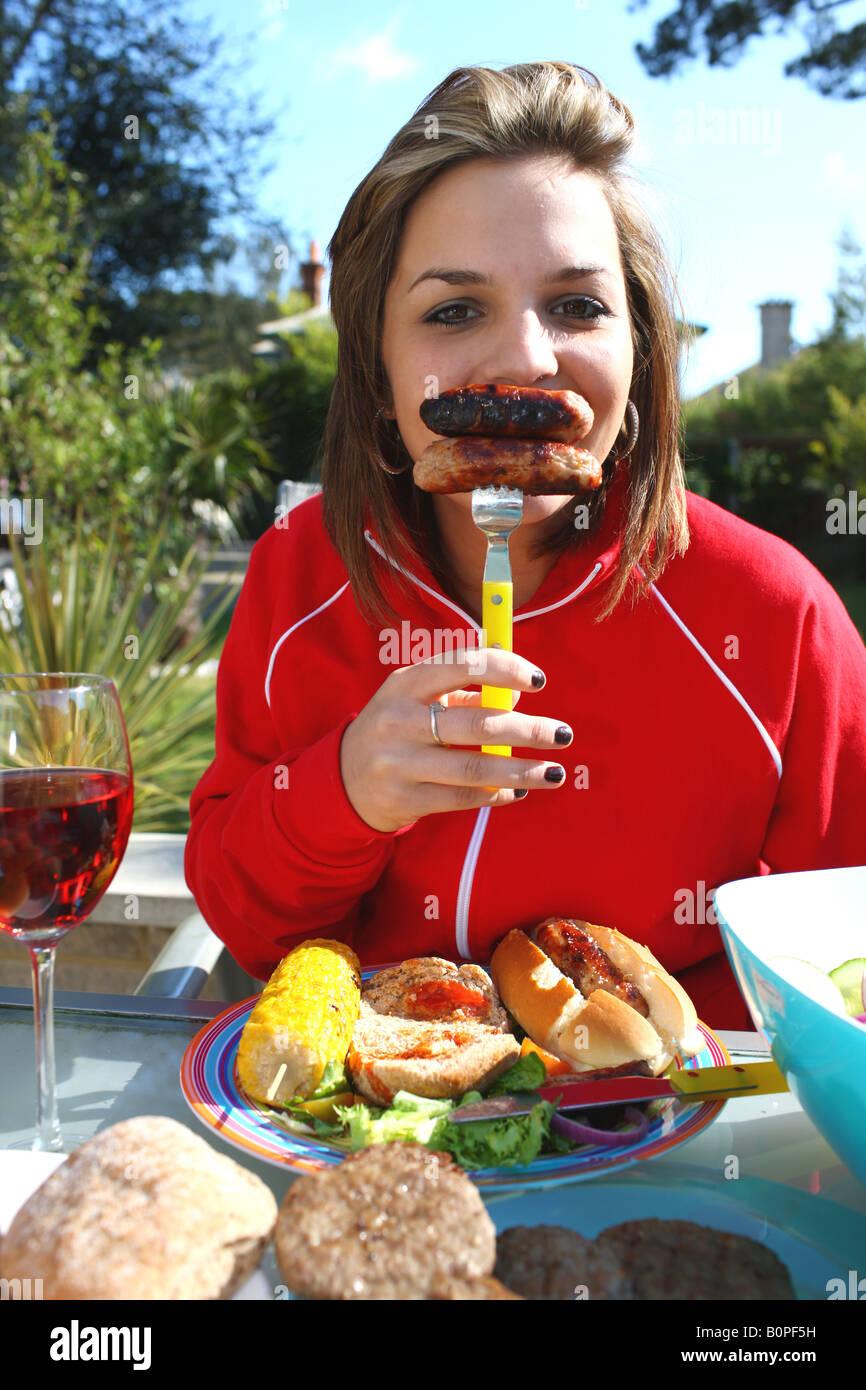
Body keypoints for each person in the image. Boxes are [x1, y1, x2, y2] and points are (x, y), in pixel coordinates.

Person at [184, 61, 866, 1030]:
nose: (526, 360)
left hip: (680, 1153)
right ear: (379, 368)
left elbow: (846, 964)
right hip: (369, 1141)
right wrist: (339, 791)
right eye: (452, 310)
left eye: (577, 305)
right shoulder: (296, 574)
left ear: (640, 347)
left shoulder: (776, 613)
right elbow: (243, 919)